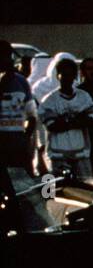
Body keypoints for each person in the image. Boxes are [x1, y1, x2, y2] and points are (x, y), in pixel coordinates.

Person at [38, 56, 93, 177]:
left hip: (81, 155)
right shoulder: (49, 100)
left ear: (75, 76)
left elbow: (92, 119)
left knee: (86, 190)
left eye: (71, 75)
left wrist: (65, 120)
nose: (67, 78)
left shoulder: (84, 97)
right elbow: (53, 126)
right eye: (64, 74)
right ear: (58, 76)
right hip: (57, 156)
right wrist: (77, 118)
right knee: (53, 191)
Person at [0, 40, 38, 172]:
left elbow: (31, 115)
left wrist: (25, 138)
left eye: (7, 56)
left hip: (17, 143)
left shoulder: (21, 82)